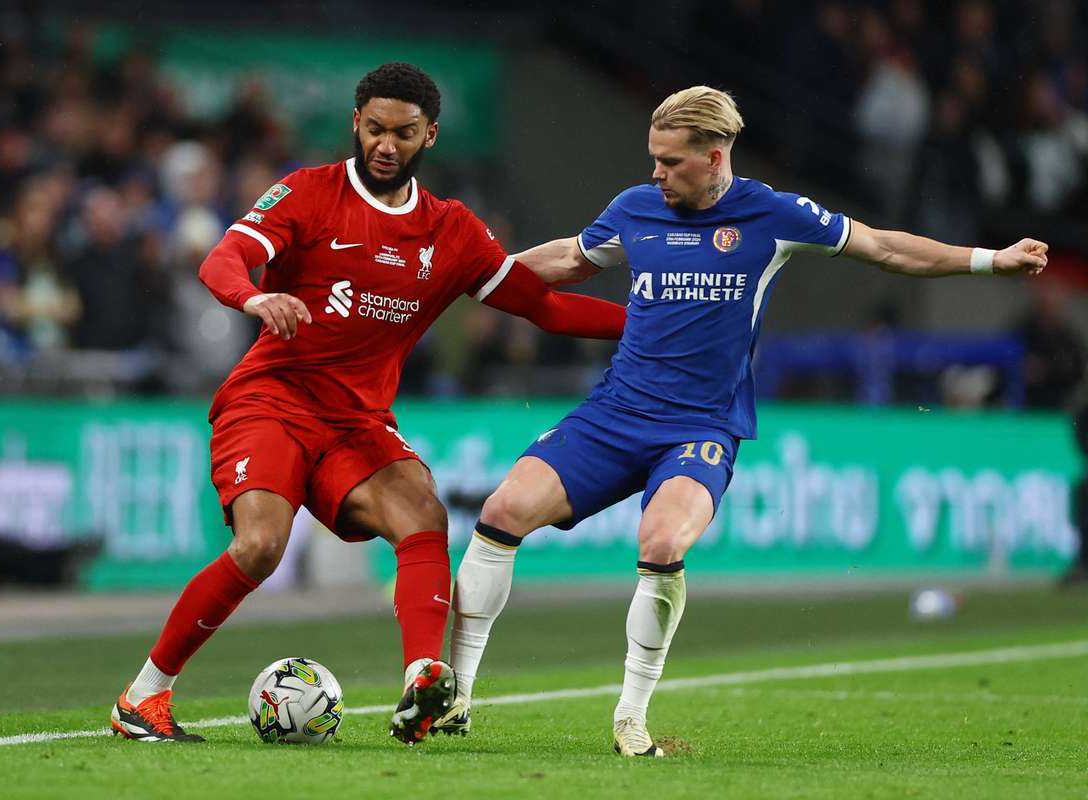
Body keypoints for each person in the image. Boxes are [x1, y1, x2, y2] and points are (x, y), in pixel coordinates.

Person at [443, 85, 1049, 757]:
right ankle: (457, 699)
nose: (655, 173)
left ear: (714, 154)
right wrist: (462, 279)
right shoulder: (636, 208)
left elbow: (883, 248)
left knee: (663, 545)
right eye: (653, 158)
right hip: (615, 411)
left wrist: (991, 260)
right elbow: (564, 261)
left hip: (699, 427)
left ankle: (631, 720)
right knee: (503, 509)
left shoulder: (773, 215)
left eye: (671, 161)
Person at [110, 63, 627, 745]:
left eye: (404, 133)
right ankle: (144, 697)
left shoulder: (451, 231)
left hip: (357, 424)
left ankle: (423, 681)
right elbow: (222, 260)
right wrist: (256, 297)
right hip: (272, 400)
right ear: (356, 123)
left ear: (430, 136)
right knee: (261, 545)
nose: (387, 144)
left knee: (423, 513)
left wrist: (651, 324)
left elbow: (546, 307)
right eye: (376, 128)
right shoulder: (308, 193)